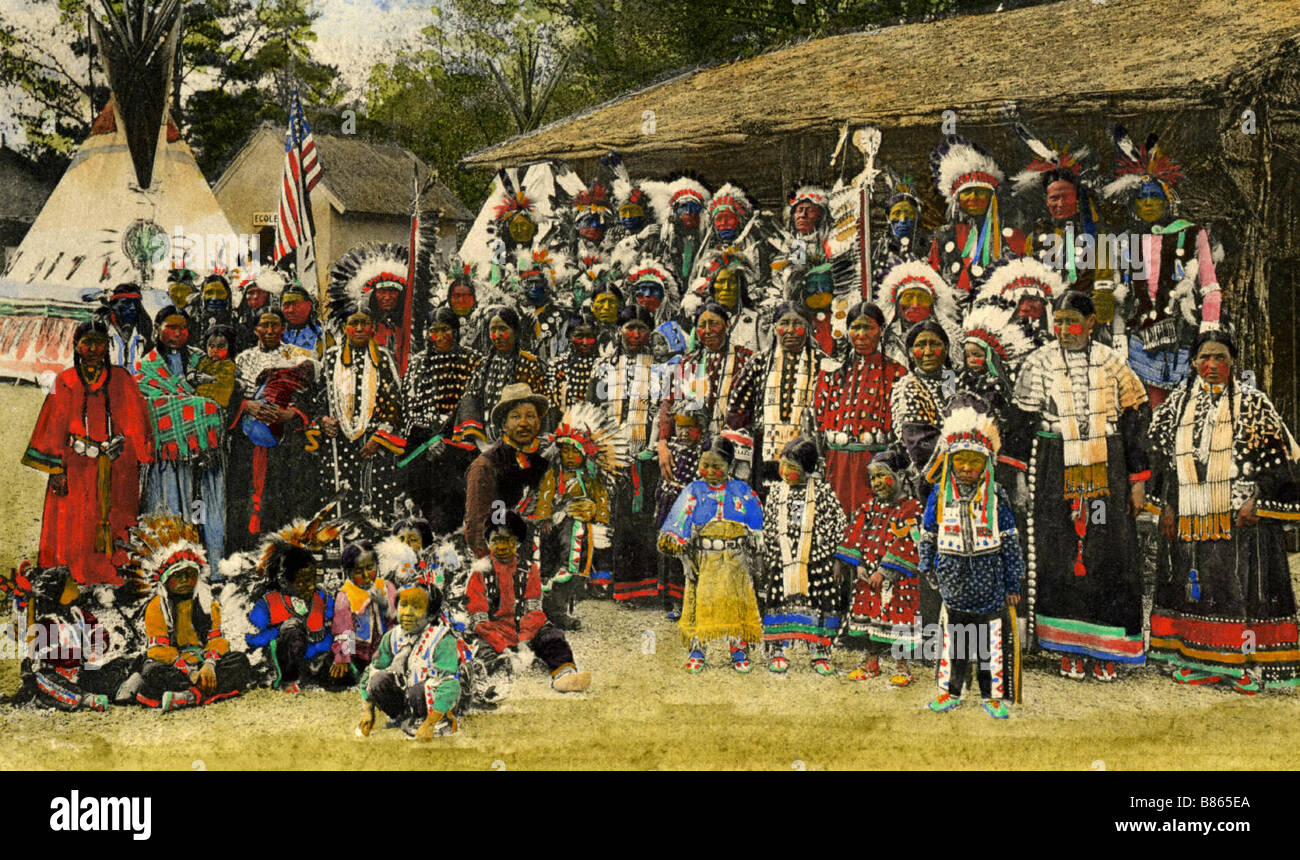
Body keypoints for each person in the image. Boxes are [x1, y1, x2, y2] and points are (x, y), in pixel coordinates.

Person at [1006, 291, 1151, 681]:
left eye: (1073, 321)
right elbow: (1020, 426)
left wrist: (1137, 482)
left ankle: (1106, 648)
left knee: (1105, 548)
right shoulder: (1037, 363)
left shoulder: (1113, 363)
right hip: (1055, 469)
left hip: (1105, 471)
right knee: (1060, 550)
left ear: (1091, 323)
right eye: (1059, 322)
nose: (1065, 329)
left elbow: (1135, 422)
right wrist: (1019, 479)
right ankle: (1066, 647)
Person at [1147, 330, 1300, 693]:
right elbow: (1159, 455)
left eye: (1220, 358)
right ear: (1194, 362)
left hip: (1240, 519)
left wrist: (1258, 502)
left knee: (1235, 588)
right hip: (1189, 513)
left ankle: (1241, 666)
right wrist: (1166, 505)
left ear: (1233, 362)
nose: (1212, 365)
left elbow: (1282, 460)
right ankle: (1197, 659)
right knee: (1194, 587)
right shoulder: (1178, 403)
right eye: (1205, 358)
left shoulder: (1253, 403)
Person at [22, 320, 153, 585]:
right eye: (87, 343)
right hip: (77, 465)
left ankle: (111, 574)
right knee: (76, 522)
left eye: (99, 343)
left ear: (107, 346)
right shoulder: (65, 380)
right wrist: (57, 470)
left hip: (116, 466)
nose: (93, 349)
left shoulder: (122, 379)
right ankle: (70, 577)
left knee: (116, 518)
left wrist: (137, 453)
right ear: (76, 346)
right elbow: (52, 427)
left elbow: (137, 420)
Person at [1104, 127, 1224, 409]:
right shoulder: (1126, 241)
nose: (1147, 203)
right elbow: (1119, 296)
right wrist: (1119, 339)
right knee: (1148, 410)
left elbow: (1209, 286)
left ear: (1168, 199)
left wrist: (1208, 329)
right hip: (1140, 343)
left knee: (1188, 408)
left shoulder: (1192, 233)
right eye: (1141, 197)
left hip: (1183, 338)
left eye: (1154, 196)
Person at [920, 404, 1025, 719]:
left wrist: (1012, 584)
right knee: (955, 639)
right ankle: (951, 691)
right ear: (950, 461)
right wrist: (927, 566)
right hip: (953, 580)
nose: (967, 468)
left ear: (986, 464)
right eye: (960, 461)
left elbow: (1010, 540)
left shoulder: (997, 495)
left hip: (989, 580)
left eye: (975, 461)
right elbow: (928, 534)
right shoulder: (939, 494)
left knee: (990, 641)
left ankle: (991, 695)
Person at [658, 436, 764, 674]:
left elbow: (756, 528)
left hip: (735, 559)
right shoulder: (693, 491)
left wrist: (754, 558)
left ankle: (738, 648)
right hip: (703, 559)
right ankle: (697, 649)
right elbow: (677, 529)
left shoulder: (742, 492)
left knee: (736, 604)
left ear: (731, 466)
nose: (710, 471)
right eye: (705, 465)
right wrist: (686, 562)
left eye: (717, 466)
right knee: (699, 605)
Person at [127, 515, 251, 711]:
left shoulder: (208, 602)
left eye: (190, 574)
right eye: (178, 575)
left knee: (239, 662)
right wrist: (189, 671)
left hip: (204, 661)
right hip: (173, 664)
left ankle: (190, 696)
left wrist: (209, 663)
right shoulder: (157, 606)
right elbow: (158, 650)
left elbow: (216, 640)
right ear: (165, 580)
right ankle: (198, 692)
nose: (185, 580)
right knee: (152, 671)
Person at [135, 307, 227, 565]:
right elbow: (148, 405)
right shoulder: (146, 365)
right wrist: (194, 405)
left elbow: (218, 396)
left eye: (182, 328)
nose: (177, 333)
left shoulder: (202, 359)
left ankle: (209, 564)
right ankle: (170, 566)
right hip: (167, 455)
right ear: (157, 329)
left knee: (202, 509)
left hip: (204, 455)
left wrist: (193, 406)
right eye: (170, 327)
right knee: (171, 507)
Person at [466, 512, 592, 693]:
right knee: (479, 648)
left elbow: (534, 611)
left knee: (552, 636)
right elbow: (479, 619)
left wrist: (524, 639)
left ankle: (564, 674)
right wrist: (502, 646)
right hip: (493, 631)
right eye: (496, 540)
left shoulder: (529, 569)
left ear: (518, 543)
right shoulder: (480, 572)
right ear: (488, 543)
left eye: (508, 540)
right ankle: (494, 678)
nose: (502, 546)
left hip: (524, 628)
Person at [592, 304, 667, 607]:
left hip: (646, 454)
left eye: (642, 328)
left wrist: (655, 445)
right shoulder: (603, 367)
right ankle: (611, 582)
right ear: (618, 331)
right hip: (610, 452)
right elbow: (594, 407)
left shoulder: (663, 368)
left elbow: (668, 409)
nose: (636, 335)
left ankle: (643, 587)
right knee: (611, 517)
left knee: (642, 517)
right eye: (630, 328)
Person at [530, 403, 629, 622]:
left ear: (585, 453)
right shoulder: (554, 474)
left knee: (570, 566)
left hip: (578, 528)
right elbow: (545, 494)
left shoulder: (591, 478)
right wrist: (544, 515)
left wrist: (598, 518)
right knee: (545, 563)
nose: (569, 456)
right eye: (564, 450)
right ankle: (542, 610)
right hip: (552, 525)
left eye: (574, 451)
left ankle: (560, 610)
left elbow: (601, 499)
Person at [836, 450, 926, 686]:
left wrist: (885, 572)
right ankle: (871, 662)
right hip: (869, 578)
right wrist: (859, 566)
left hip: (898, 581)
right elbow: (856, 534)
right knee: (871, 620)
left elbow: (909, 543)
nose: (876, 483)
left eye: (881, 476)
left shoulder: (911, 509)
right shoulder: (869, 508)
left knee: (898, 621)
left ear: (900, 476)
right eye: (873, 478)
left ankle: (902, 667)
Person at [229, 310, 319, 547]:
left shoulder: (297, 356)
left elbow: (311, 396)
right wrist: (247, 406)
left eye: (275, 325)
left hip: (287, 440)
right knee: (248, 493)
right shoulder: (242, 359)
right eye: (264, 325)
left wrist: (292, 413)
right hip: (248, 439)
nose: (269, 331)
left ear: (283, 329)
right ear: (255, 329)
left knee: (283, 490)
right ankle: (249, 548)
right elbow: (230, 396)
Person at [759, 438, 848, 676]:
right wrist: (774, 555)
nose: (785, 472)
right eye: (783, 465)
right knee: (780, 602)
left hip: (817, 562)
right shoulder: (776, 492)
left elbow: (838, 525)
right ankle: (778, 649)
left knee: (820, 603)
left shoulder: (822, 492)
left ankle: (821, 650)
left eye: (793, 468)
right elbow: (769, 526)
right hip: (783, 559)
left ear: (807, 470)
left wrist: (832, 557)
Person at [812, 302, 907, 515]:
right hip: (837, 464)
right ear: (847, 331)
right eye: (856, 327)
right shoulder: (832, 371)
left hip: (875, 464)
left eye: (869, 328)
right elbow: (818, 420)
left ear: (881, 330)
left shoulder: (896, 372)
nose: (862, 335)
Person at [315, 310, 406, 521]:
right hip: (338, 441)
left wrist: (380, 437)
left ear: (373, 328)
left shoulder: (383, 357)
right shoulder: (331, 357)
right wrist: (323, 421)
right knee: (339, 499)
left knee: (376, 500)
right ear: (344, 327)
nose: (358, 329)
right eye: (353, 323)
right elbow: (318, 399)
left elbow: (396, 403)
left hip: (375, 441)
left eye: (364, 323)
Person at [726, 302, 823, 497]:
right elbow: (737, 408)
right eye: (784, 323)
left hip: (809, 451)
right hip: (764, 451)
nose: (790, 330)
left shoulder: (822, 363)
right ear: (774, 327)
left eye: (798, 323)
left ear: (808, 328)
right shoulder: (759, 362)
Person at [402, 306, 482, 533]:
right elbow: (409, 408)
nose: (439, 336)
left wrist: (450, 438)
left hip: (461, 447)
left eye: (445, 329)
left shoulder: (473, 360)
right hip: (426, 447)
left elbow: (476, 404)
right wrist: (429, 440)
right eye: (434, 331)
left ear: (455, 331)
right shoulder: (418, 363)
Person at [11, 566, 129, 712]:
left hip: (81, 672)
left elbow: (96, 629)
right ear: (59, 591)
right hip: (54, 673)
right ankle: (85, 698)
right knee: (50, 683)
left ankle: (117, 689)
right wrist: (81, 653)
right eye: (71, 583)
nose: (76, 585)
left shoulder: (77, 613)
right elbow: (52, 654)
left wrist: (100, 643)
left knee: (117, 667)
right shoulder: (47, 622)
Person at [358, 582, 466, 740]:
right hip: (410, 693)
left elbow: (450, 684)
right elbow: (373, 669)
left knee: (418, 690)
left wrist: (430, 722)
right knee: (378, 681)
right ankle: (403, 717)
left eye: (417, 607)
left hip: (436, 700)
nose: (407, 613)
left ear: (430, 615)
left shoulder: (442, 639)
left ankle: (436, 722)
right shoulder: (392, 637)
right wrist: (368, 710)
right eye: (404, 605)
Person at [928, 134, 1026, 302]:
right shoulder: (944, 236)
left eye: (981, 192)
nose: (974, 198)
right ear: (957, 199)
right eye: (967, 192)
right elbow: (933, 276)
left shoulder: (1011, 235)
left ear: (991, 198)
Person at [463, 383, 552, 560]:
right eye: (515, 417)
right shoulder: (486, 465)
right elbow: (476, 527)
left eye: (530, 416)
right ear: (504, 424)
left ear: (538, 422)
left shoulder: (547, 459)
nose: (523, 423)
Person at [245, 527, 337, 692]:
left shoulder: (321, 596)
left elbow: (334, 622)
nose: (311, 586)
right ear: (284, 582)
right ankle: (288, 680)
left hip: (316, 658)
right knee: (292, 631)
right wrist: (279, 631)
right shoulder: (269, 603)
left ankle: (321, 678)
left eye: (312, 580)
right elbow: (251, 638)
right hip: (285, 661)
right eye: (303, 582)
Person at [454, 306, 550, 447]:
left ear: (515, 331)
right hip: (485, 444)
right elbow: (470, 399)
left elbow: (542, 410)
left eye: (503, 329)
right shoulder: (483, 365)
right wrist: (479, 441)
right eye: (493, 330)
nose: (497, 335)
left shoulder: (530, 364)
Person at [891, 320, 959, 494]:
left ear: (946, 349)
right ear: (910, 352)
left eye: (935, 344)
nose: (928, 352)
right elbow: (919, 446)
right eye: (921, 346)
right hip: (931, 479)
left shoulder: (950, 380)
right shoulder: (909, 386)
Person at [656, 401, 709, 619]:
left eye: (690, 427)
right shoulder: (671, 450)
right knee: (670, 556)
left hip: (691, 511)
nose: (684, 433)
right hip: (670, 508)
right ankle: (674, 602)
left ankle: (691, 602)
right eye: (680, 427)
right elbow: (662, 481)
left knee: (690, 558)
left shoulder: (703, 452)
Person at [331, 541, 398, 684]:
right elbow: (344, 630)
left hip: (386, 650)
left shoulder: (387, 588)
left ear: (377, 565)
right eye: (358, 571)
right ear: (348, 572)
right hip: (359, 654)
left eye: (370, 568)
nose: (366, 575)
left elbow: (398, 621)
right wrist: (343, 659)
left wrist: (384, 604)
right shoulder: (345, 595)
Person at [279, 280, 326, 358]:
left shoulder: (322, 335)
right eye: (286, 305)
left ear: (309, 305)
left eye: (296, 305)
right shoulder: (276, 335)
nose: (291, 310)